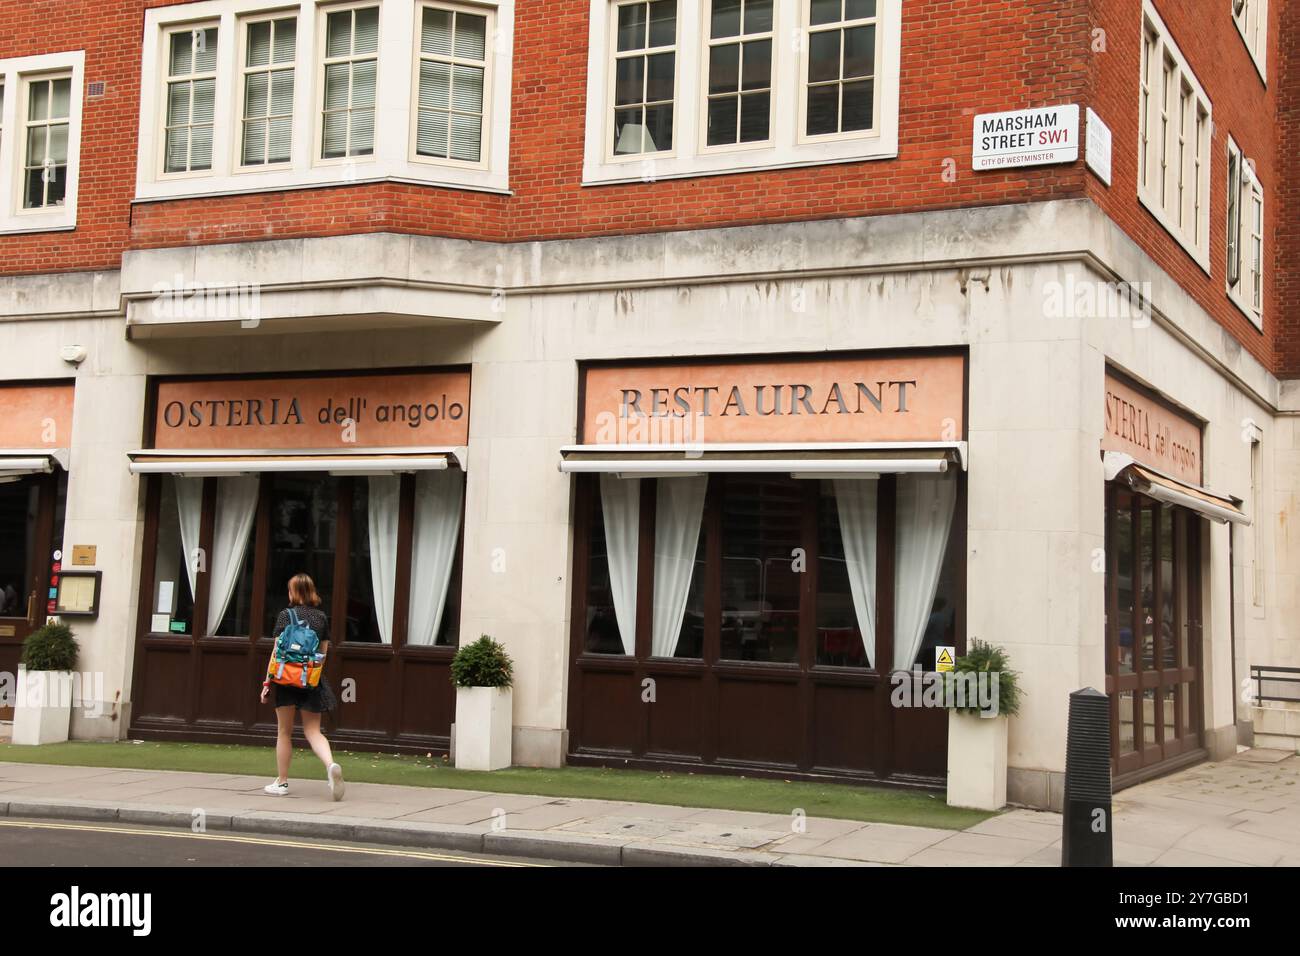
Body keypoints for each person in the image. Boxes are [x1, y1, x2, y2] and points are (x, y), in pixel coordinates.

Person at [260, 573, 345, 801]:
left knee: (284, 732)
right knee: (313, 731)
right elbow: (323, 654)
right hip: (310, 680)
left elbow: (277, 652)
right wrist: (311, 677)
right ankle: (331, 765)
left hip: (285, 679)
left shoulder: (285, 616)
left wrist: (268, 682)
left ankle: (282, 781)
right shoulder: (321, 618)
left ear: (293, 592)